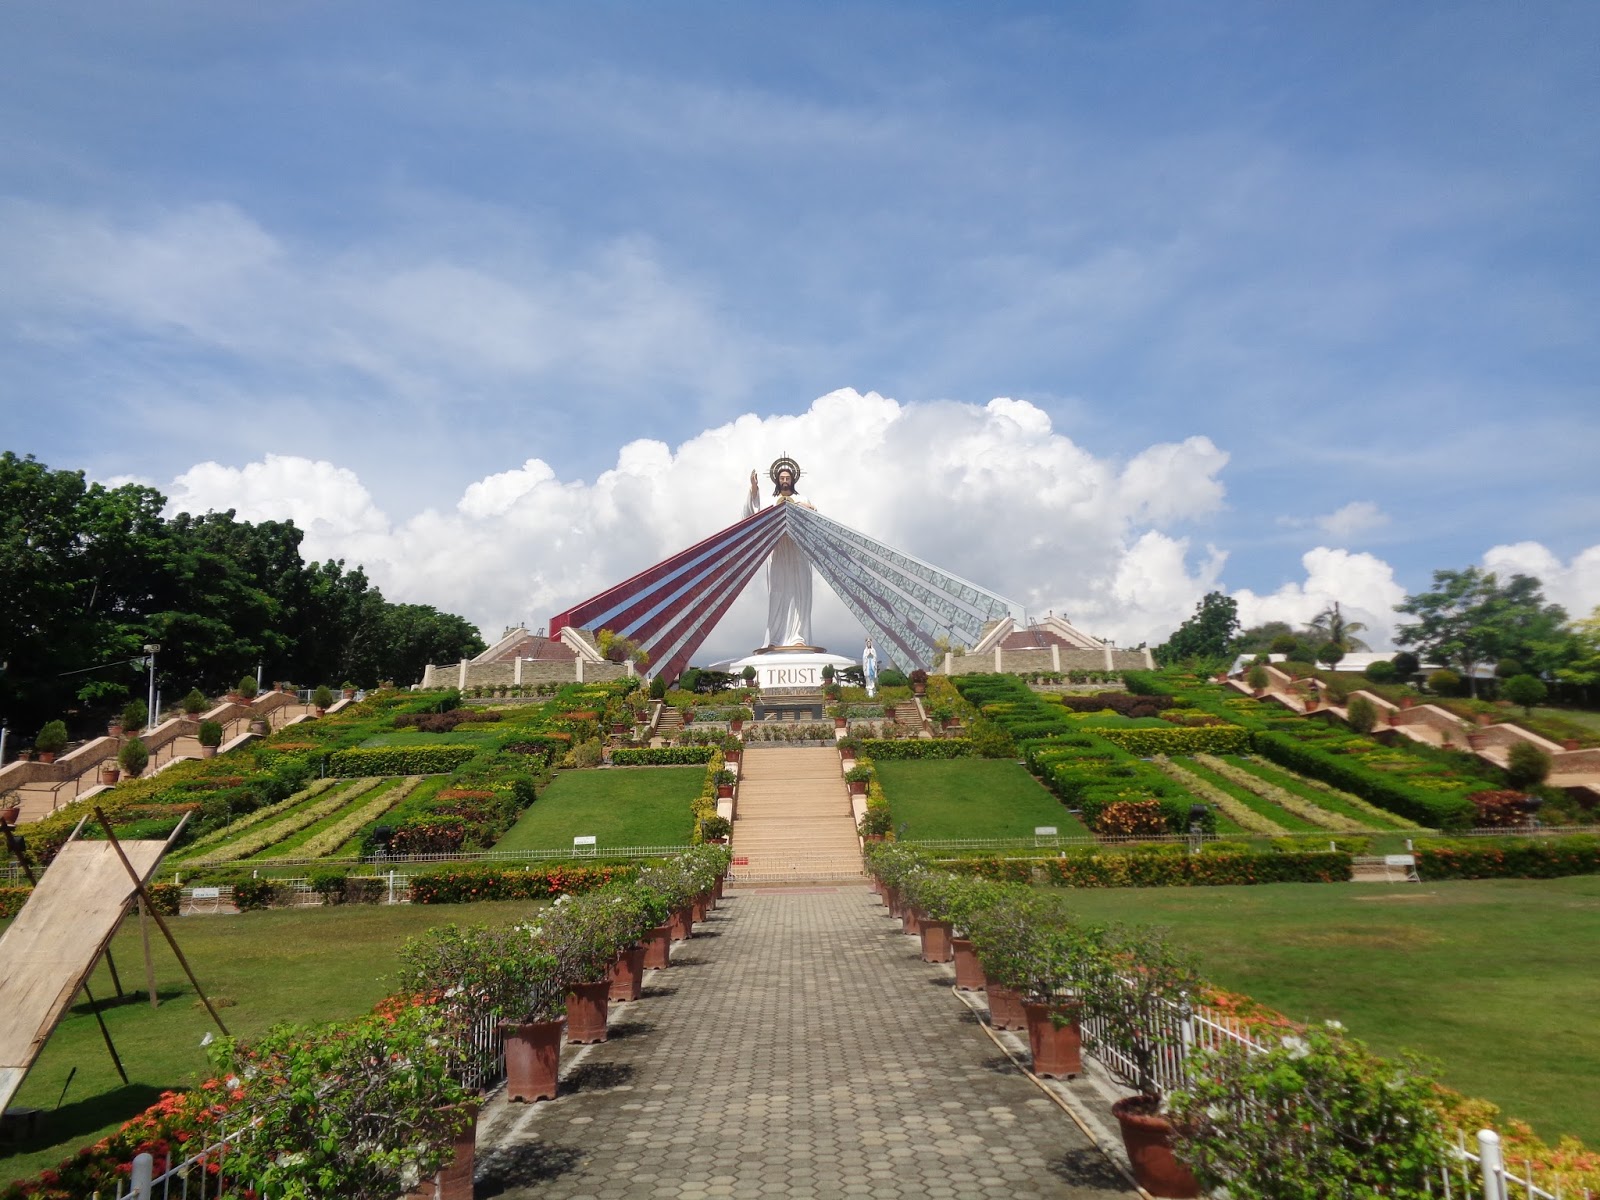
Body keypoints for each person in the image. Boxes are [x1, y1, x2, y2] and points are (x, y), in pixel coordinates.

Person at [744, 457, 814, 647]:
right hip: (778, 551)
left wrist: (808, 508)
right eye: (781, 477)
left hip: (797, 550)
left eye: (787, 477)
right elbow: (753, 515)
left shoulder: (802, 499)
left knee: (800, 593)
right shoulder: (771, 500)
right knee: (778, 593)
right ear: (777, 480)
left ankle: (798, 638)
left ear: (793, 480)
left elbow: (813, 519)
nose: (785, 480)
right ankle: (775, 639)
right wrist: (754, 490)